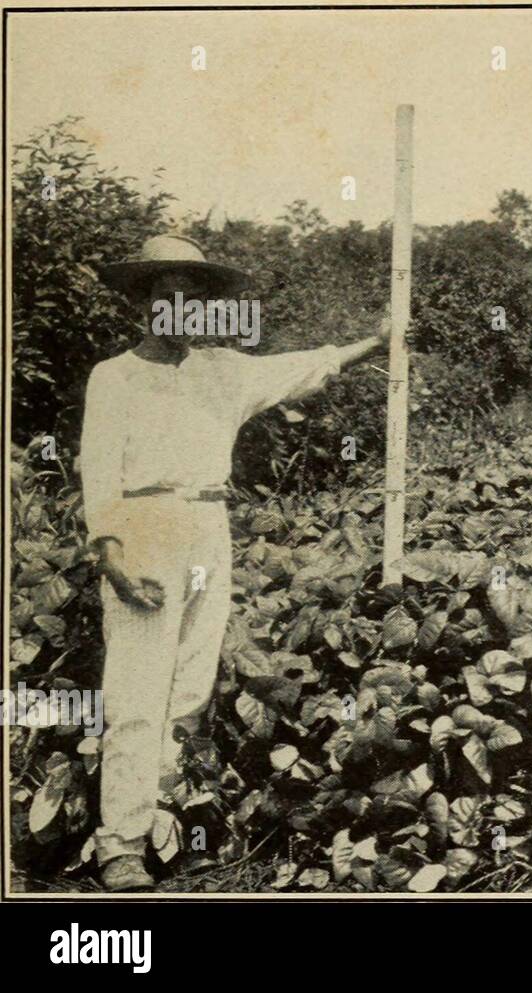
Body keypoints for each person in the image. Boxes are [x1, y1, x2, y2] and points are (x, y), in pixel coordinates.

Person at [82, 234, 385, 891]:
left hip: (207, 528)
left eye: (193, 295)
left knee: (191, 691)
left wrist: (377, 342)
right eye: (166, 294)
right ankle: (121, 845)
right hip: (143, 525)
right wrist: (111, 555)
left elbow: (304, 366)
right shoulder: (114, 378)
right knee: (137, 688)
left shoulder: (224, 370)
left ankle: (174, 832)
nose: (180, 306)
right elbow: (98, 474)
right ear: (144, 301)